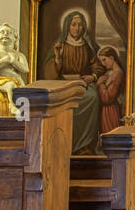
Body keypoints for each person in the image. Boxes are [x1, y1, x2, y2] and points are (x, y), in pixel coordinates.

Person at [42, 10, 102, 154]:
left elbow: (97, 65)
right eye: (74, 24)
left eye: (80, 25)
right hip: (63, 83)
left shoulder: (88, 46)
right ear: (67, 26)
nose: (77, 28)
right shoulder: (60, 46)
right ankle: (61, 144)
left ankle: (85, 145)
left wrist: (93, 77)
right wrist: (57, 57)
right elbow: (50, 72)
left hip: (81, 83)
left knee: (92, 97)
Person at [95, 46, 126, 134]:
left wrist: (100, 84)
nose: (103, 63)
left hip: (111, 112)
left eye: (104, 60)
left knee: (110, 136)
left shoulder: (118, 74)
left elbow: (107, 98)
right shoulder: (108, 73)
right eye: (101, 61)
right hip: (104, 111)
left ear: (112, 58)